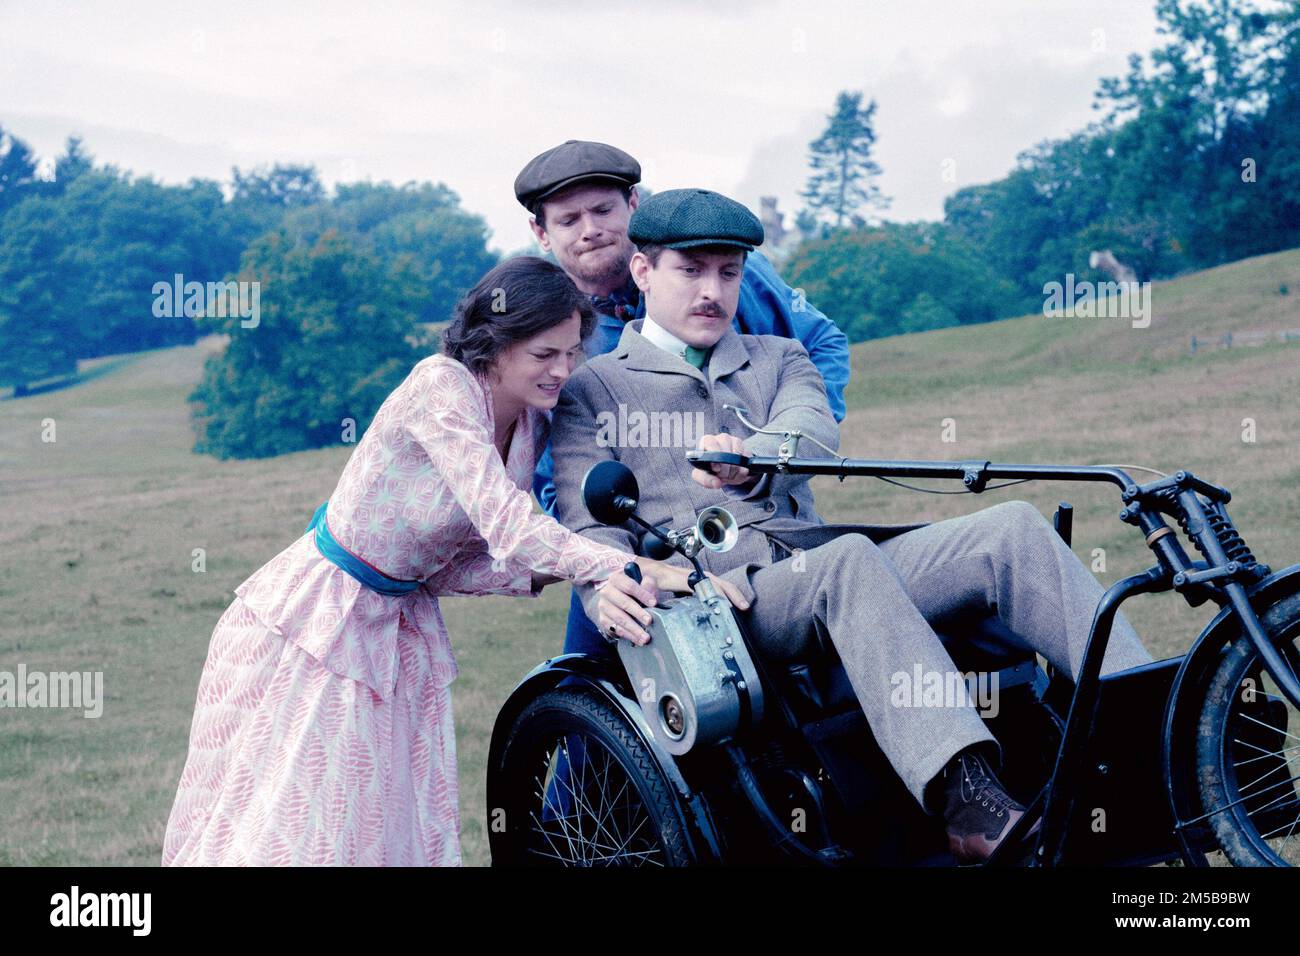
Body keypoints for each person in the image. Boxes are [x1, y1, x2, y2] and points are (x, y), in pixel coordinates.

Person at [550, 188, 1155, 864]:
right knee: (848, 566)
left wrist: (758, 458)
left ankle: (1165, 737)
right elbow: (584, 528)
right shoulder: (592, 389)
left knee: (1009, 529)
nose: (712, 291)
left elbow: (813, 426)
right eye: (690, 271)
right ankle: (967, 799)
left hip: (820, 567)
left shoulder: (779, 356)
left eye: (728, 272)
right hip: (718, 613)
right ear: (643, 272)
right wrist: (612, 581)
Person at [161, 256, 746, 866]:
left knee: (384, 822)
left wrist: (566, 568)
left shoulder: (530, 423)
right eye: (544, 354)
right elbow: (507, 524)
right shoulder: (441, 389)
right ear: (494, 343)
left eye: (572, 352)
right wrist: (616, 565)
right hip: (317, 623)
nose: (563, 370)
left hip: (400, 626)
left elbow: (448, 567)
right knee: (300, 825)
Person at [512, 139, 849, 659]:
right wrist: (606, 539)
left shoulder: (718, 266)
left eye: (604, 210)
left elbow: (820, 344)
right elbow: (551, 461)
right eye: (568, 219)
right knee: (590, 670)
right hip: (635, 545)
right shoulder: (547, 325)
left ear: (634, 205)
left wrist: (778, 449)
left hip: (753, 517)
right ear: (541, 233)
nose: (590, 229)